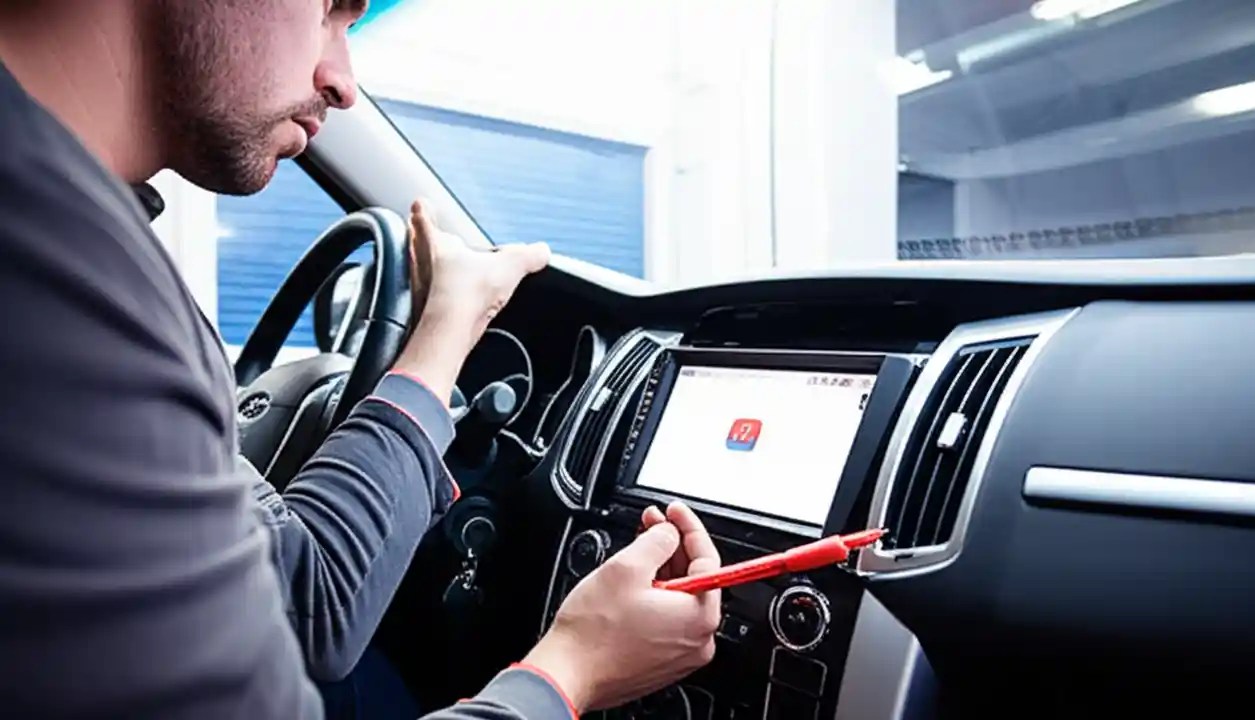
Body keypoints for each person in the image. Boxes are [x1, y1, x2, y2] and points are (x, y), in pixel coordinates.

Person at [0, 1, 721, 718]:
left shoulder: (76, 243)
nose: (343, 81)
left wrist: (444, 326)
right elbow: (312, 615)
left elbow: (295, 598)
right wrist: (570, 672)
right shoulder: (57, 283)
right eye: (330, 9)